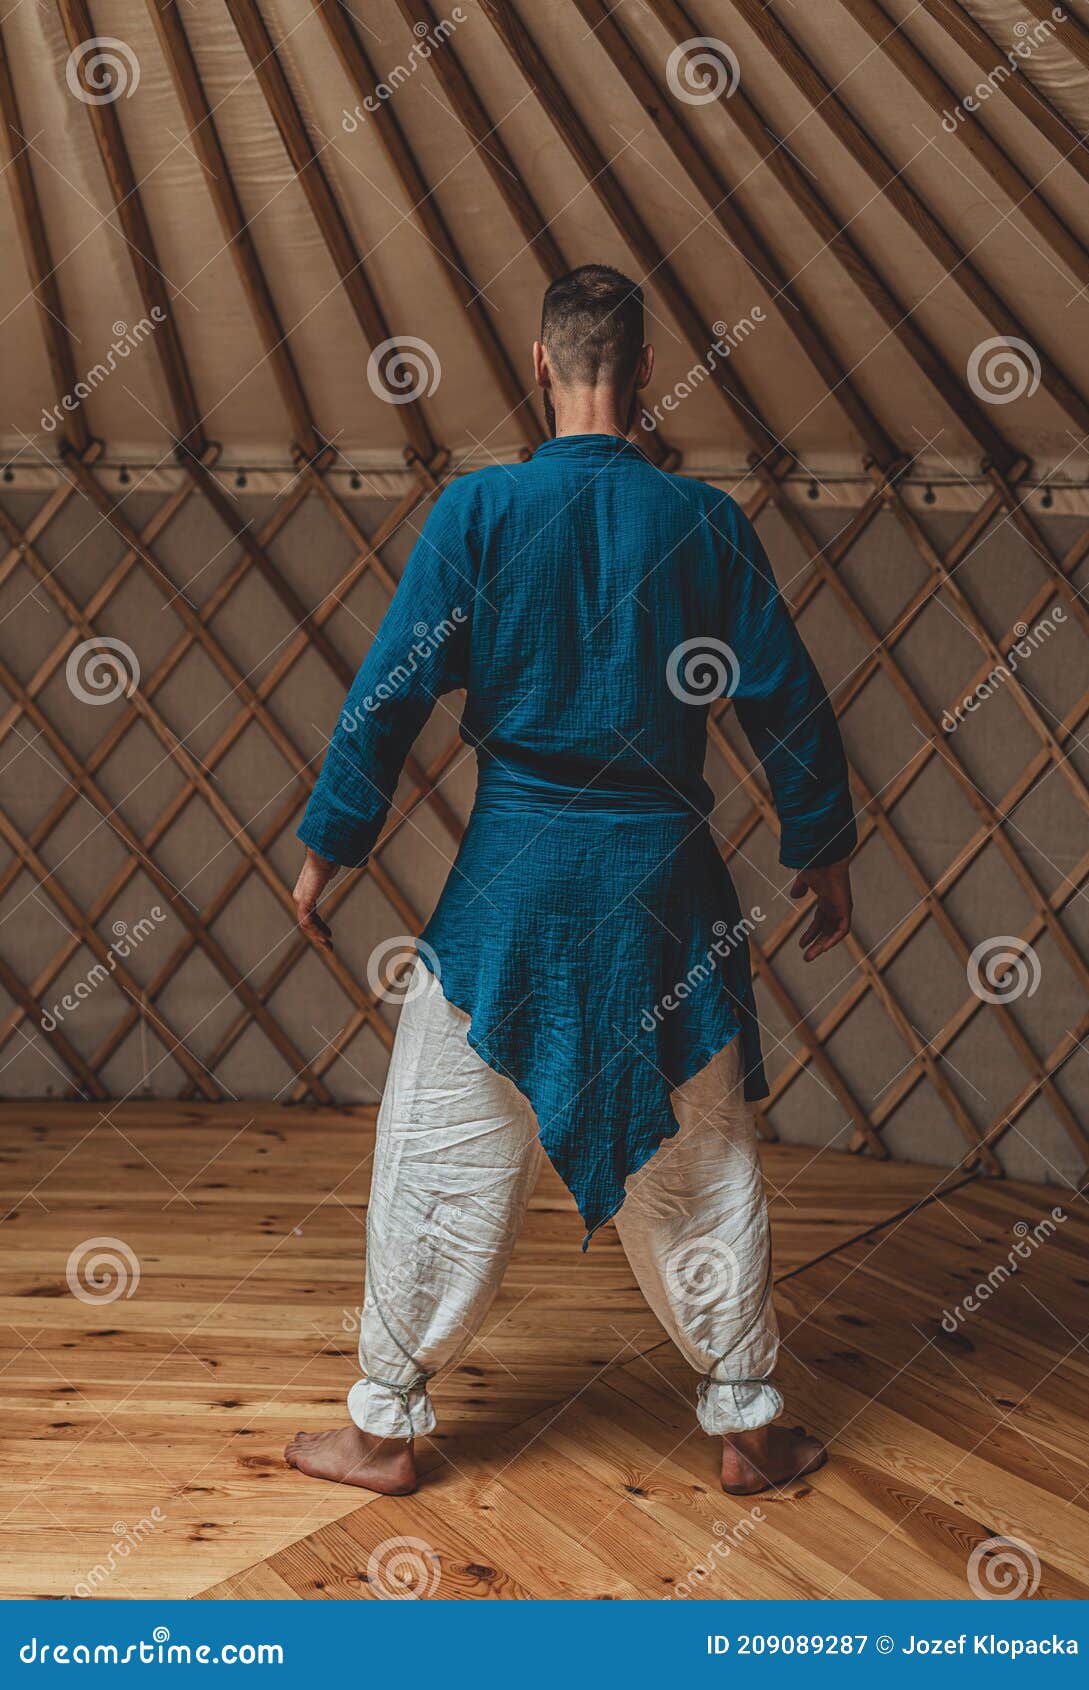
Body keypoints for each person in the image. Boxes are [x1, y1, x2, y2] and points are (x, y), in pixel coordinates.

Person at [284, 265, 855, 1499]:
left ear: (540, 365)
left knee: (439, 1149)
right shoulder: (704, 525)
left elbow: (388, 694)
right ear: (646, 373)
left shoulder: (476, 516)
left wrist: (334, 839)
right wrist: (823, 849)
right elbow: (790, 705)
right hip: (669, 895)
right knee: (703, 1158)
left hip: (511, 887)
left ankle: (383, 1428)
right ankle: (748, 1426)